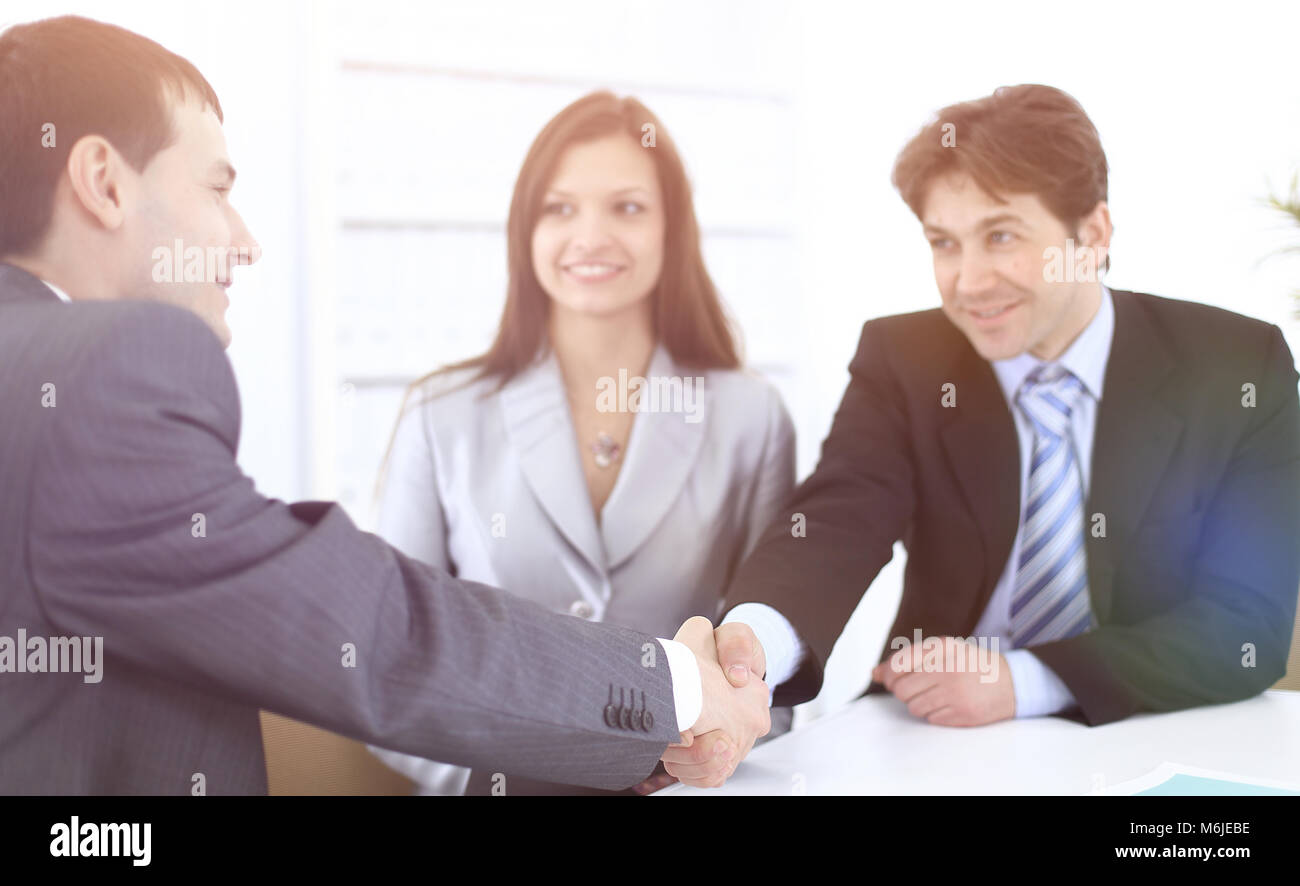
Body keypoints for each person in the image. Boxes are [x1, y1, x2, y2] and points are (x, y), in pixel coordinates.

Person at [0, 15, 770, 795]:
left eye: (628, 207)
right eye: (218, 188)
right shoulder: (95, 375)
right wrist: (669, 690)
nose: (245, 241)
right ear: (102, 182)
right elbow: (375, 630)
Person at [712, 84, 1299, 750]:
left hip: (1149, 730)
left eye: (1001, 236)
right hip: (937, 734)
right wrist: (749, 645)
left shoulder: (1236, 366)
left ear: (1093, 234)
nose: (968, 281)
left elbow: (1247, 625)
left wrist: (1025, 680)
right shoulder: (905, 361)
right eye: (944, 243)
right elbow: (836, 520)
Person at [365, 91, 796, 795]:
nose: (590, 235)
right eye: (559, 208)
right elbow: (391, 661)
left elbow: (768, 662)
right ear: (525, 230)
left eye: (626, 207)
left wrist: (700, 758)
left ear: (672, 229)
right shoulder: (441, 415)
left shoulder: (750, 416)